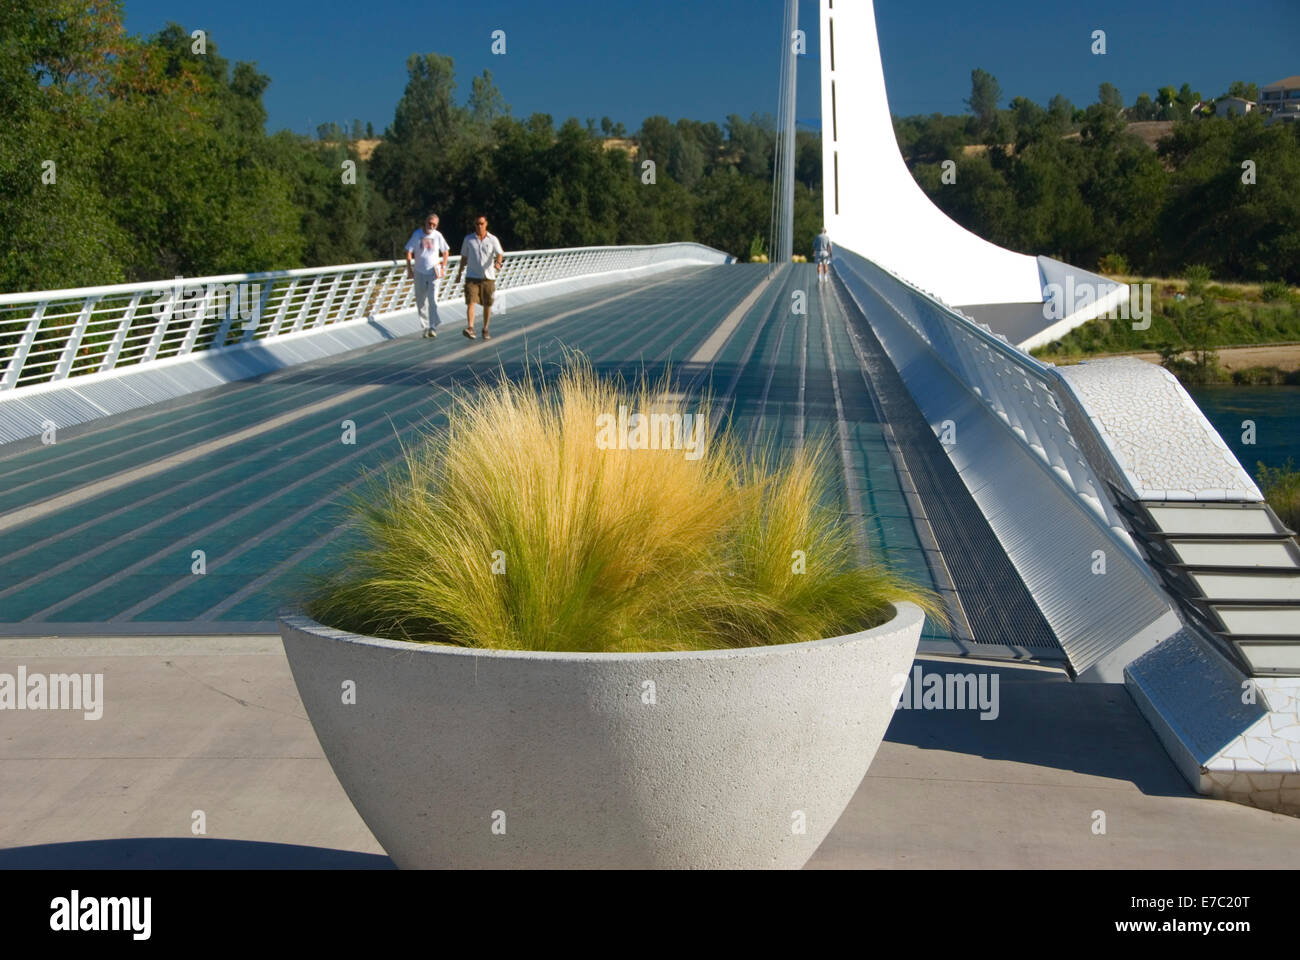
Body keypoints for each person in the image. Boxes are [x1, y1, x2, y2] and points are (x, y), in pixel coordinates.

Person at [458, 215, 505, 340]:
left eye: (481, 223)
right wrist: (459, 273)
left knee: (487, 304)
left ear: (486, 224)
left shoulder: (492, 239)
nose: (479, 226)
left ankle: (485, 328)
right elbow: (464, 257)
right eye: (477, 224)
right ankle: (471, 328)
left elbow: (499, 253)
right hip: (472, 277)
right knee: (470, 301)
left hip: (488, 277)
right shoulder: (468, 239)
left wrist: (498, 263)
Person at [404, 213, 450, 338]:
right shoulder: (417, 234)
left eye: (434, 225)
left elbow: (445, 252)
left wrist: (443, 268)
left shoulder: (438, 235)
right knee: (421, 302)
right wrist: (409, 269)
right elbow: (408, 251)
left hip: (434, 272)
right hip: (419, 272)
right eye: (430, 223)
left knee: (433, 300)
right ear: (425, 222)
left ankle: (433, 326)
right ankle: (425, 327)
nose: (431, 226)